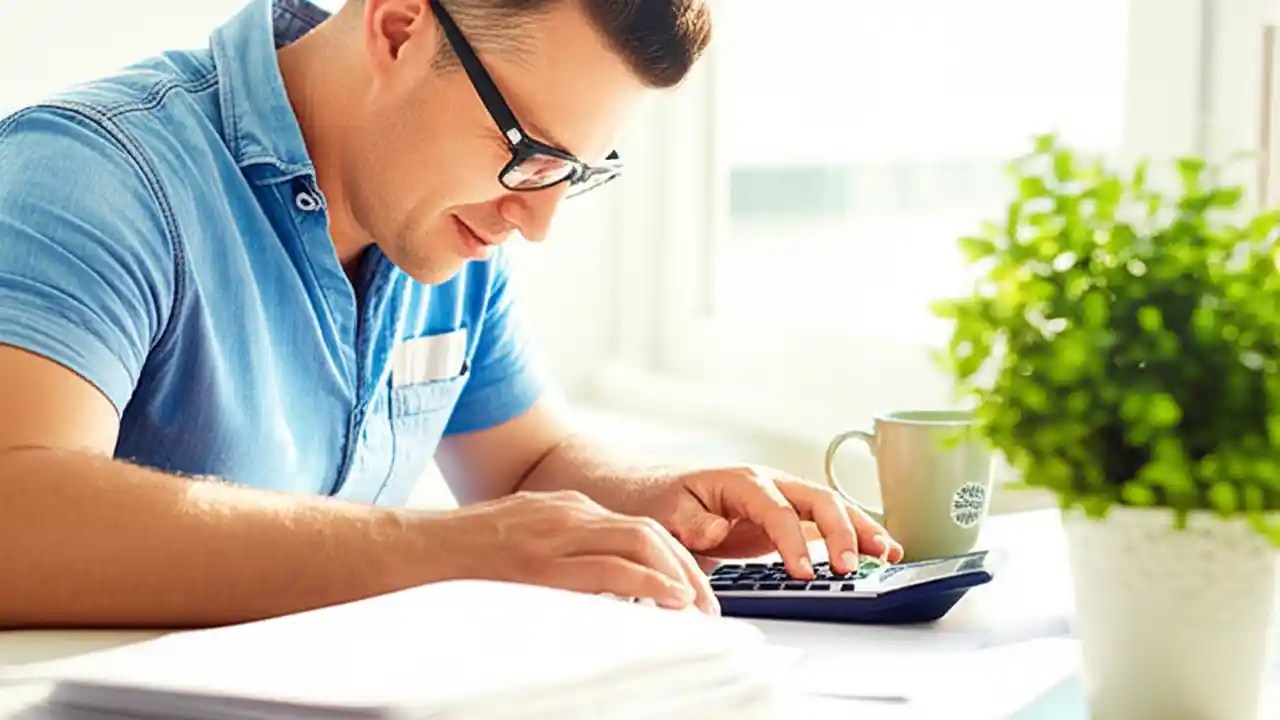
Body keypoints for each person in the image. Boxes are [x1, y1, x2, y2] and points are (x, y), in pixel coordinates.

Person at [0, 0, 902, 629]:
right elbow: (16, 513)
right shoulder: (94, 178)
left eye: (574, 173)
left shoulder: (440, 229)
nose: (538, 220)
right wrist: (436, 551)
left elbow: (523, 467)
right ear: (398, 28)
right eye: (528, 152)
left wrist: (656, 505)